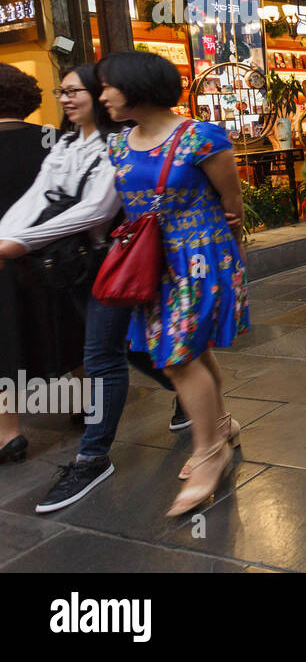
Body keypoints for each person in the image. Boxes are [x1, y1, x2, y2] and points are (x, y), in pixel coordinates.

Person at [0, 65, 183, 510]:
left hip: (111, 262)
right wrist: (7, 231)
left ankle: (93, 456)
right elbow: (38, 196)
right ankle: (193, 393)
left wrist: (20, 241)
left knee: (102, 357)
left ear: (100, 95)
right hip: (75, 267)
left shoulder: (114, 143)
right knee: (128, 349)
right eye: (60, 91)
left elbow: (96, 210)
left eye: (74, 91)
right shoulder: (62, 143)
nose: (65, 99)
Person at [97, 51, 248, 517]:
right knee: (192, 350)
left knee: (177, 355)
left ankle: (209, 452)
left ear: (138, 87)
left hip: (201, 255)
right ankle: (220, 425)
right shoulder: (119, 144)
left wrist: (228, 254)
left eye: (109, 85)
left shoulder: (201, 136)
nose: (103, 94)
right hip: (151, 262)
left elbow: (232, 201)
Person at [0, 64, 54, 465]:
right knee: (68, 324)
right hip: (55, 256)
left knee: (6, 337)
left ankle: (8, 433)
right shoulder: (55, 141)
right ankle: (88, 405)